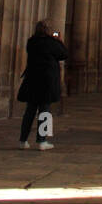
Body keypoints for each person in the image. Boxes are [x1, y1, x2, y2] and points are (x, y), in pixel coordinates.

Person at [18, 20, 67, 149]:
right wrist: (59, 41)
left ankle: (23, 140)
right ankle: (42, 141)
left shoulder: (31, 42)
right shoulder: (51, 43)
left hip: (33, 79)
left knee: (30, 111)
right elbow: (63, 54)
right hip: (47, 81)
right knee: (45, 111)